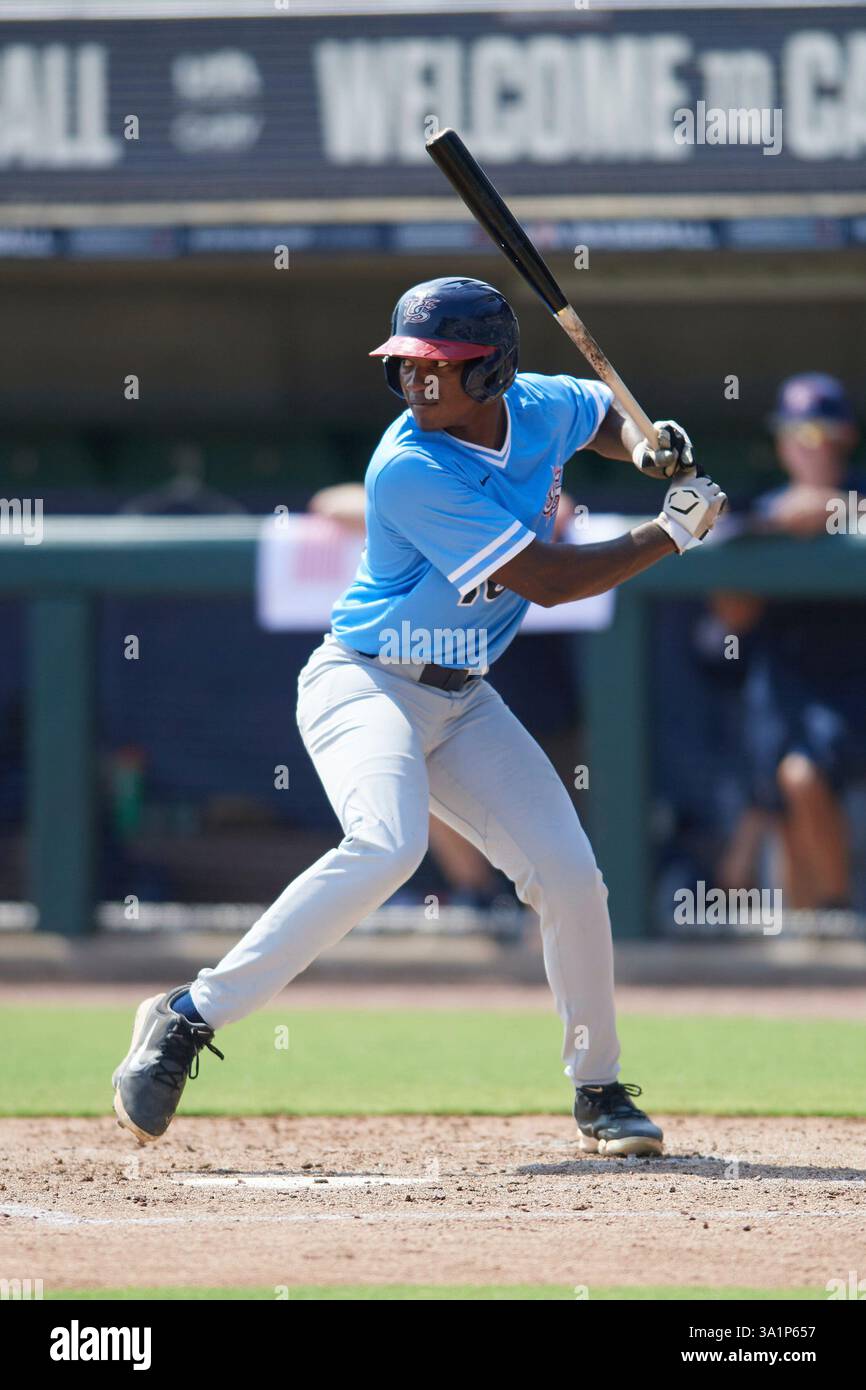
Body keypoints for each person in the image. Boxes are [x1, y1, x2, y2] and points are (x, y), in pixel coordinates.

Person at [112, 277, 725, 1158]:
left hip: (464, 697)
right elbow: (548, 583)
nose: (418, 385)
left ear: (495, 371)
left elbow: (598, 412)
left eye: (439, 369)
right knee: (387, 845)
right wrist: (670, 532)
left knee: (570, 874)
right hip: (364, 684)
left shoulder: (539, 403)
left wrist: (647, 446)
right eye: (407, 367)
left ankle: (598, 1090)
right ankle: (186, 1016)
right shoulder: (409, 466)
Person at [713, 373, 865, 909]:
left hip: (851, 689)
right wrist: (777, 529)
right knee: (780, 802)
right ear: (781, 442)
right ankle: (820, 936)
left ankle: (838, 916)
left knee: (802, 777)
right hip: (782, 695)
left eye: (821, 432)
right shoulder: (764, 509)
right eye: (798, 432)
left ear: (845, 436)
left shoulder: (859, 497)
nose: (809, 445)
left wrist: (830, 510)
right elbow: (729, 617)